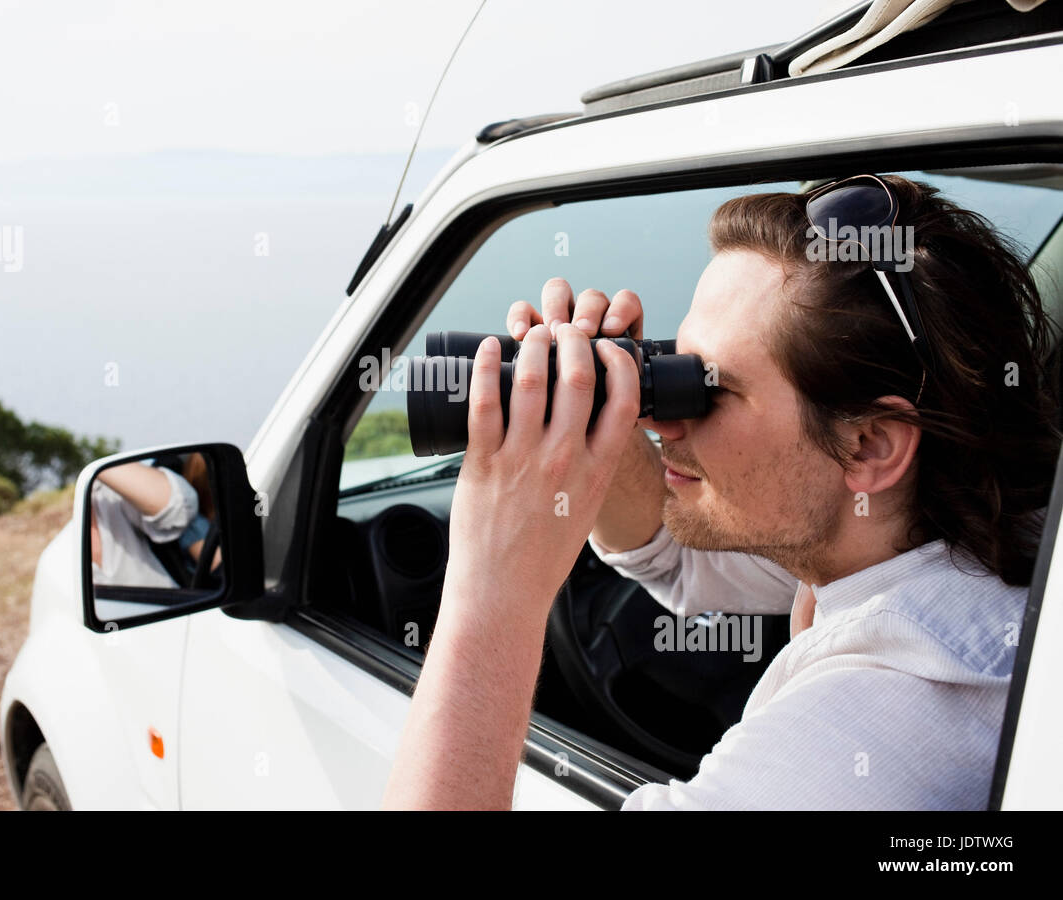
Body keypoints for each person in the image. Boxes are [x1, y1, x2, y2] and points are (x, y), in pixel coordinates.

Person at [382, 173, 1061, 810]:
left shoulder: (866, 733)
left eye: (712, 388)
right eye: (673, 366)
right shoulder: (961, 540)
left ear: (870, 445)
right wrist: (597, 409)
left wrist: (493, 588)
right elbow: (673, 555)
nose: (661, 418)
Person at [90, 452, 220, 589]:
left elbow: (179, 508)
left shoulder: (109, 497)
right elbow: (217, 564)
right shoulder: (197, 528)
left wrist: (95, 465)